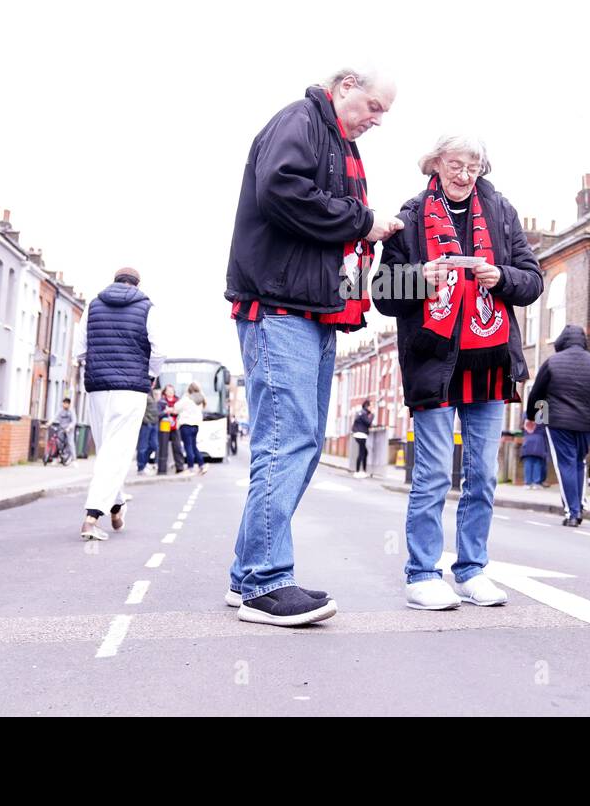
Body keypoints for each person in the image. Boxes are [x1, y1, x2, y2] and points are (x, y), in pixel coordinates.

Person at [225, 67, 402, 626]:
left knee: (292, 445)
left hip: (310, 310)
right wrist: (363, 221)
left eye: (384, 114)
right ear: (346, 84)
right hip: (279, 307)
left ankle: (247, 574)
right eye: (373, 106)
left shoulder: (330, 138)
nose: (377, 119)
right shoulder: (300, 121)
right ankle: (264, 583)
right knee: (287, 443)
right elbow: (281, 190)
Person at [373, 134, 543, 610]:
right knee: (430, 475)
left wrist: (501, 277)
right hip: (433, 362)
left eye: (473, 166)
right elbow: (382, 294)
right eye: (455, 165)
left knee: (483, 476)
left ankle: (471, 571)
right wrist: (417, 279)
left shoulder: (501, 210)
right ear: (435, 165)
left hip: (489, 363)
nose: (464, 175)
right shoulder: (410, 215)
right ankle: (422, 574)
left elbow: (532, 280)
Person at [73, 267, 164, 541]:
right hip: (131, 389)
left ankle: (116, 505)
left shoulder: (93, 305)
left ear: (114, 281)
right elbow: (159, 350)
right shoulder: (147, 307)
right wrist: (149, 375)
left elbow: (79, 349)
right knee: (117, 451)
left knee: (106, 451)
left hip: (98, 387)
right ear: (137, 284)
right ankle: (91, 518)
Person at [524, 326, 590, 527]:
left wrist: (532, 417)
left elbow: (537, 393)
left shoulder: (552, 362)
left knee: (565, 465)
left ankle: (572, 511)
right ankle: (578, 504)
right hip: (587, 424)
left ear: (562, 340)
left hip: (559, 423)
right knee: (579, 462)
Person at [175, 382, 207, 476]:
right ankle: (201, 465)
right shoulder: (200, 400)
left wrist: (185, 394)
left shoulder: (186, 399)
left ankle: (190, 467)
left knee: (188, 447)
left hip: (186, 425)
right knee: (193, 446)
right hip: (195, 426)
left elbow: (176, 407)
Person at [156, 384, 185, 475]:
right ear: (165, 392)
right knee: (163, 448)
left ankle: (180, 467)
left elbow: (182, 412)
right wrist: (165, 412)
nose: (170, 392)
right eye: (168, 391)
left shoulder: (178, 401)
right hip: (164, 427)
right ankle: (162, 469)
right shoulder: (161, 402)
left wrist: (173, 411)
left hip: (175, 427)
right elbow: (158, 414)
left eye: (172, 390)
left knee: (177, 447)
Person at [137, 385, 160, 474]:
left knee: (154, 446)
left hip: (154, 423)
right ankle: (141, 467)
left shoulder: (152, 393)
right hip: (146, 424)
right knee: (143, 447)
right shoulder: (143, 392)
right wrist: (145, 420)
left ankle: (144, 462)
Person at [520, 421, 549, 488]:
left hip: (527, 440)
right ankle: (536, 482)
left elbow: (522, 427)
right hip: (539, 441)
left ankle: (527, 483)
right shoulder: (543, 414)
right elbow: (546, 428)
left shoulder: (526, 413)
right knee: (537, 462)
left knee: (528, 462)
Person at [351, 400, 373, 478]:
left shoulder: (360, 412)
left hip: (358, 434)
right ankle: (357, 472)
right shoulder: (363, 414)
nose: (372, 408)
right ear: (367, 406)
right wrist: (372, 415)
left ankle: (363, 471)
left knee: (364, 452)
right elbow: (368, 423)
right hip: (361, 435)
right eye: (371, 406)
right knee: (362, 452)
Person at [55, 397, 77, 464]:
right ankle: (58, 458)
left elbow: (74, 421)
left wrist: (69, 428)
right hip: (61, 428)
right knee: (59, 443)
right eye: (64, 403)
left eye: (66, 404)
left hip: (69, 429)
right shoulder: (60, 410)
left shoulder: (71, 411)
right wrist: (49, 423)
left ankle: (74, 460)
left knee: (70, 443)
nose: (64, 405)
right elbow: (55, 416)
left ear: (69, 404)